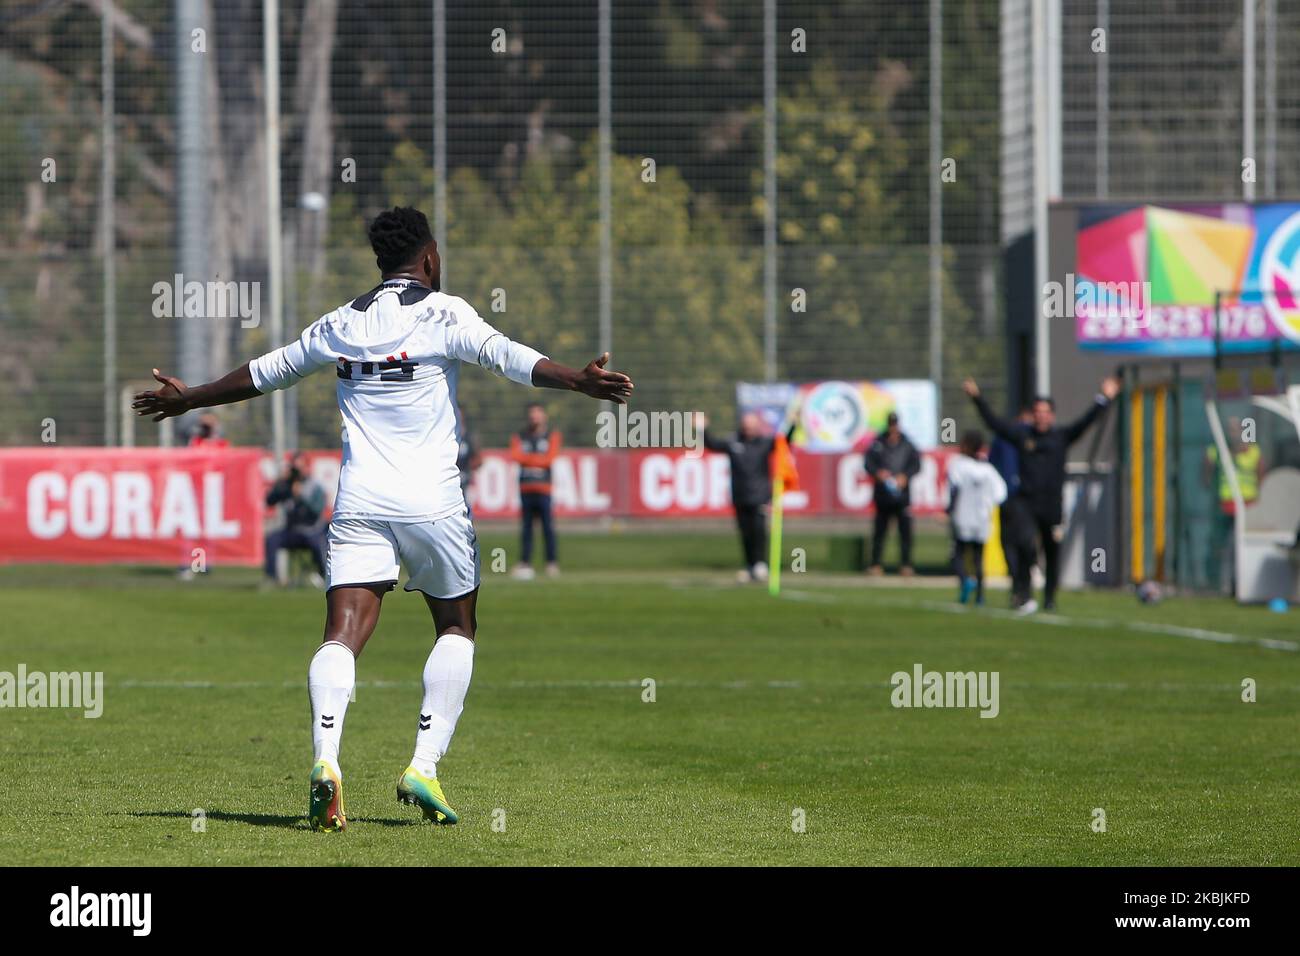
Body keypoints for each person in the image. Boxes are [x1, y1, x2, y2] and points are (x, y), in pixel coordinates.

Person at [133, 206, 633, 832]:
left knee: (341, 634)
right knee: (456, 626)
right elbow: (508, 357)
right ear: (428, 258)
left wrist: (191, 398)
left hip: (360, 503)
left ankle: (326, 759)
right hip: (434, 503)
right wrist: (577, 382)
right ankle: (423, 766)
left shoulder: (341, 322)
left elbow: (265, 374)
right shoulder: (444, 313)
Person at [964, 374, 1119, 613]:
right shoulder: (1023, 436)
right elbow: (995, 424)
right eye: (1037, 412)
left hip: (1052, 504)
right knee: (1025, 545)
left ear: (1052, 415)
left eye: (1045, 412)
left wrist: (1104, 398)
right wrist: (977, 398)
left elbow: (1087, 421)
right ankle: (1023, 592)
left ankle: (1049, 597)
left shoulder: (1061, 437)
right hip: (1026, 503)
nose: (1041, 416)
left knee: (1051, 551)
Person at [698, 411, 790, 583]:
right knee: (745, 533)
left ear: (757, 427)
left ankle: (760, 564)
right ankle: (749, 565)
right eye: (746, 426)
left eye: (751, 426)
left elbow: (786, 442)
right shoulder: (734, 442)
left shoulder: (765, 443)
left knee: (759, 531)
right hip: (740, 496)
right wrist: (701, 429)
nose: (748, 429)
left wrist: (793, 423)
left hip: (760, 496)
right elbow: (712, 444)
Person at [947, 430, 1007, 605]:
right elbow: (1001, 493)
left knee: (957, 554)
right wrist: (986, 504)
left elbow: (954, 489)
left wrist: (948, 510)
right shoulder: (988, 469)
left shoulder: (958, 465)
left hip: (962, 516)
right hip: (982, 518)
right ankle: (980, 596)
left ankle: (965, 581)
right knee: (978, 557)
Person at [1203, 416, 1263, 591]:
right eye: (1231, 430)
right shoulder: (1217, 450)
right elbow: (1206, 472)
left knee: (1244, 545)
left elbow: (1261, 475)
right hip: (1226, 505)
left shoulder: (1253, 451)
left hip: (1248, 504)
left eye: (1237, 430)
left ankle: (1243, 583)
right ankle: (1221, 583)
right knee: (1222, 545)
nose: (1234, 434)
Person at [864, 412, 922, 576]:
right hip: (883, 495)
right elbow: (868, 463)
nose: (893, 428)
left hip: (902, 496)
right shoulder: (877, 443)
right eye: (891, 424)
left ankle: (906, 564)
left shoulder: (907, 444)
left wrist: (905, 476)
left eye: (895, 424)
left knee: (905, 533)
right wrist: (878, 473)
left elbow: (916, 465)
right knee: (879, 532)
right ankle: (876, 564)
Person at [509, 403, 561, 579]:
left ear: (544, 416)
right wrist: (538, 459)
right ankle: (525, 562)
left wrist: (529, 459)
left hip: (544, 488)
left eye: (538, 413)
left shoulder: (551, 435)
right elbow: (516, 456)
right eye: (532, 414)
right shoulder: (520, 435)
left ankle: (551, 563)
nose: (534, 417)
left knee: (548, 527)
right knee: (526, 528)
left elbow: (550, 458)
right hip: (525, 488)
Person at [986, 405, 1033, 601]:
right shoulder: (1005, 439)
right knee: (1010, 542)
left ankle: (1022, 584)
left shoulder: (1035, 439)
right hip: (1009, 499)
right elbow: (992, 466)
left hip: (1027, 500)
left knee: (1021, 543)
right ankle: (1017, 582)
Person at [264, 451, 328, 588]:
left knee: (318, 543)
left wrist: (301, 496)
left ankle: (323, 575)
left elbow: (316, 511)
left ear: (306, 468)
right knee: (272, 539)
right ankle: (272, 578)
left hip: (311, 531)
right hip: (291, 531)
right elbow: (269, 501)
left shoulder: (314, 486)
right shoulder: (286, 486)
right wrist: (280, 485)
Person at [454, 404, 482, 498]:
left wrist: (469, 469)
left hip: (466, 481)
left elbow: (478, 460)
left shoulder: (470, 437)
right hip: (450, 479)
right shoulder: (447, 436)